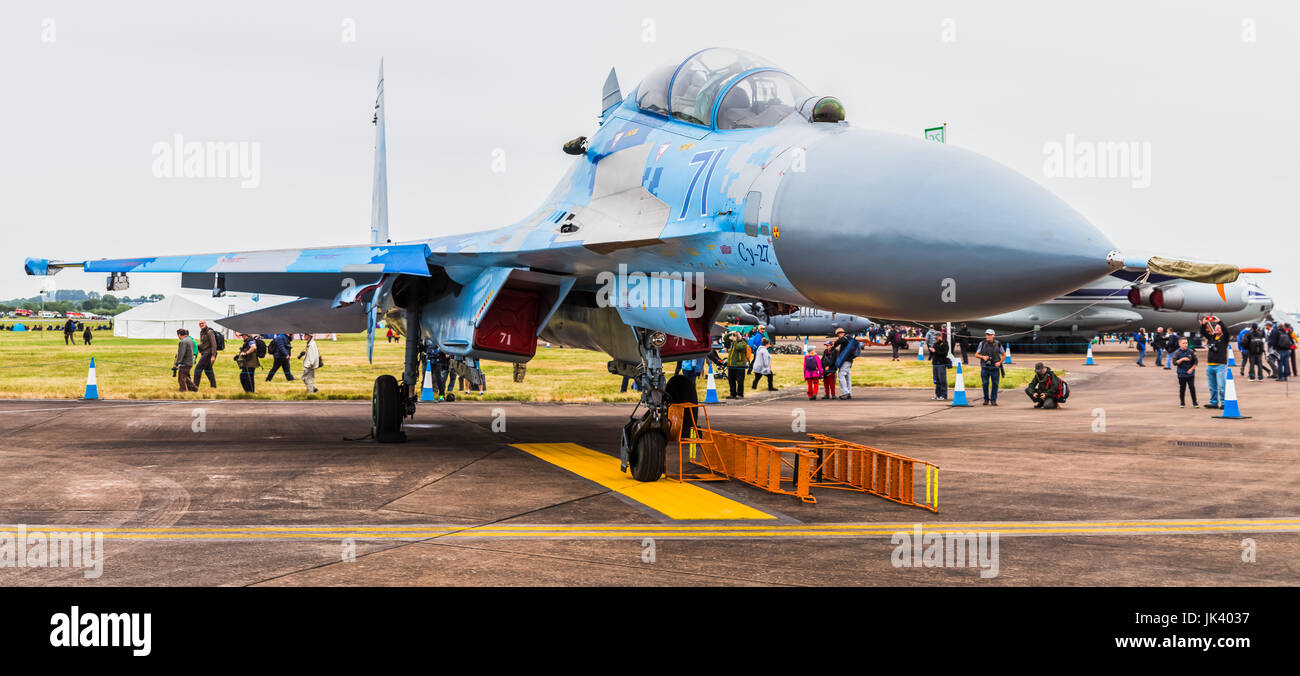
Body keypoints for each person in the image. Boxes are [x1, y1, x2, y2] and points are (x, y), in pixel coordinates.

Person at [1199, 316, 1230, 408]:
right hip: (1210, 366)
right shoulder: (1211, 337)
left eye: (1219, 328)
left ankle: (1224, 403)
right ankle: (1214, 403)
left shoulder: (1225, 338)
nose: (1217, 328)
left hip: (1220, 366)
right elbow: (1203, 332)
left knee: (1221, 386)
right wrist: (1204, 324)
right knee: (1212, 387)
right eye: (1216, 327)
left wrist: (1220, 322)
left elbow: (1226, 331)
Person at [975, 329, 1004, 405]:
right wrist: (983, 357)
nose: (988, 336)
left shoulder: (998, 343)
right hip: (985, 367)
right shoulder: (982, 343)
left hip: (995, 368)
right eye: (987, 334)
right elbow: (976, 354)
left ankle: (993, 400)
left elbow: (1004, 355)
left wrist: (999, 362)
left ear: (993, 335)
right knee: (985, 383)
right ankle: (986, 399)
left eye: (990, 335)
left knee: (995, 384)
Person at [1170, 337, 1199, 408]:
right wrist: (1182, 359)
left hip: (1190, 374)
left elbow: (1196, 362)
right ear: (1179, 344)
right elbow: (1174, 363)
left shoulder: (1191, 351)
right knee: (1182, 388)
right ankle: (1182, 403)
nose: (1185, 344)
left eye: (1186, 343)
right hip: (1181, 374)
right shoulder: (1177, 352)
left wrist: (1191, 369)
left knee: (1192, 388)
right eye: (1183, 343)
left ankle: (1195, 403)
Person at [832, 328, 860, 400]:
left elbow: (840, 341)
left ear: (840, 333)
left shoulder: (846, 338)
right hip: (849, 360)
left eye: (838, 335)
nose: (838, 336)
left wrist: (834, 344)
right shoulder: (849, 338)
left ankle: (846, 393)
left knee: (841, 375)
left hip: (846, 360)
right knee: (847, 376)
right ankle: (848, 392)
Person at [724, 331, 749, 399]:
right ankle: (733, 394)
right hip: (731, 365)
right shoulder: (733, 342)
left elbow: (738, 348)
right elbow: (725, 339)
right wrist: (729, 333)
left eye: (738, 335)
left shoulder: (744, 343)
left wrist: (735, 340)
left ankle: (740, 394)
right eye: (736, 335)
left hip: (739, 366)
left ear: (741, 336)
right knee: (731, 381)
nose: (737, 336)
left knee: (740, 381)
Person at [195, 321, 218, 388]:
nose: (201, 325)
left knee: (198, 369)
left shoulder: (209, 332)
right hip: (204, 353)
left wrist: (213, 355)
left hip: (208, 354)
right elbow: (203, 344)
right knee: (208, 370)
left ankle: (195, 387)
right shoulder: (202, 332)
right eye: (200, 324)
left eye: (202, 323)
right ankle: (213, 386)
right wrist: (196, 345)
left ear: (206, 324)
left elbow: (214, 344)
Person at [930, 332, 950, 400]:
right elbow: (934, 352)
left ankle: (944, 395)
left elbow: (944, 353)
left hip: (941, 363)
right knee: (936, 380)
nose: (935, 339)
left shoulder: (944, 344)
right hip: (935, 363)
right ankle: (938, 395)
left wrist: (935, 351)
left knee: (942, 380)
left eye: (936, 338)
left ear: (940, 337)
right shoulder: (935, 344)